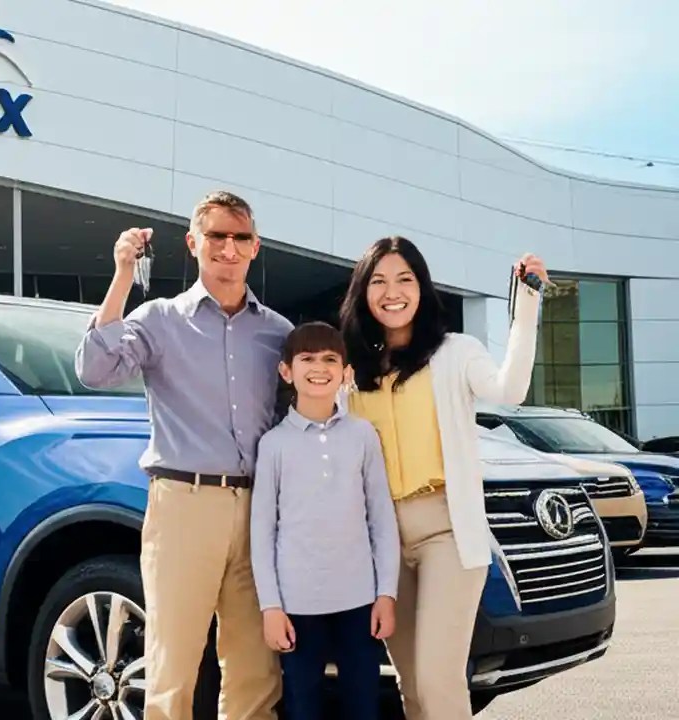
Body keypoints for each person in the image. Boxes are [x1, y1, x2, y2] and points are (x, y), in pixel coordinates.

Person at [75, 190, 293, 720]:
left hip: (260, 511)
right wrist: (123, 273)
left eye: (240, 237)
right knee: (173, 666)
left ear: (255, 247)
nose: (228, 248)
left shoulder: (279, 333)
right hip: (184, 504)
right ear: (194, 243)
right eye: (216, 235)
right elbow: (94, 370)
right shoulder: (159, 319)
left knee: (255, 670)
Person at [338, 236, 548, 720]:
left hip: (446, 531)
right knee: (411, 686)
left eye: (405, 279)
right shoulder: (354, 370)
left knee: (438, 681)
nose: (393, 292)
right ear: (363, 293)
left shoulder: (455, 351)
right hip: (382, 543)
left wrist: (527, 303)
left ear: (422, 287)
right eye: (379, 281)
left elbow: (510, 389)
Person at [249, 321, 400, 720]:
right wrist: (271, 607)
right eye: (307, 359)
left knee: (363, 704)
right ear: (287, 371)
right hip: (297, 605)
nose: (319, 367)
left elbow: (381, 517)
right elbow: (262, 532)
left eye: (330, 359)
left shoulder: (363, 435)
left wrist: (386, 593)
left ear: (346, 371)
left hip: (359, 601)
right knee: (302, 706)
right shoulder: (273, 445)